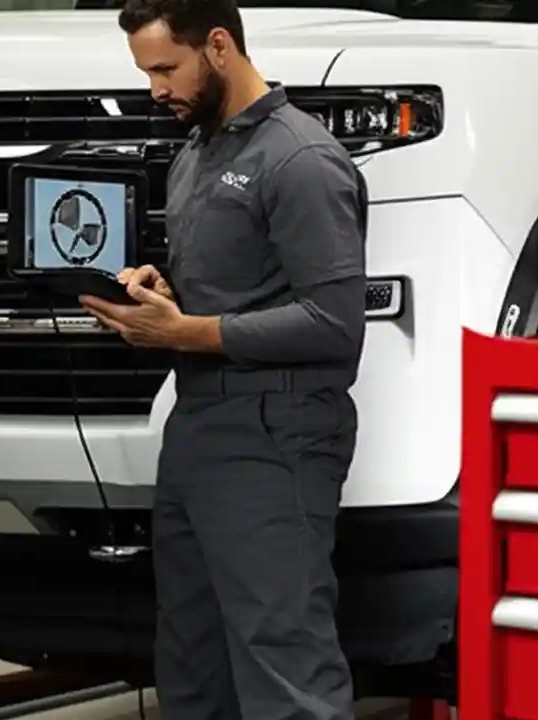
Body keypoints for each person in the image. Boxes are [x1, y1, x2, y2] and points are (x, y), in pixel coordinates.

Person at [78, 0, 368, 716]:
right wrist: (161, 296)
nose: (156, 90)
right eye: (145, 73)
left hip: (278, 432)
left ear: (217, 46)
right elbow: (236, 291)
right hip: (198, 426)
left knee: (284, 659)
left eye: (165, 69)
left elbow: (335, 324)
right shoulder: (196, 156)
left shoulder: (301, 159)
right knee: (192, 657)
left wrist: (187, 333)